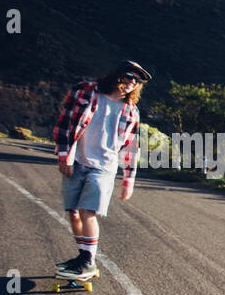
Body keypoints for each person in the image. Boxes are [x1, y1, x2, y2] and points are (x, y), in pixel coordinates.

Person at [51, 60, 152, 278]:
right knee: (73, 212)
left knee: (88, 211)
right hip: (77, 161)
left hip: (104, 167)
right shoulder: (85, 91)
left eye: (137, 81)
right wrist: (64, 155)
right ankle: (83, 256)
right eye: (128, 76)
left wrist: (128, 181)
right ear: (116, 75)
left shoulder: (131, 111)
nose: (131, 83)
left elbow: (131, 147)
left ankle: (87, 262)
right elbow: (64, 123)